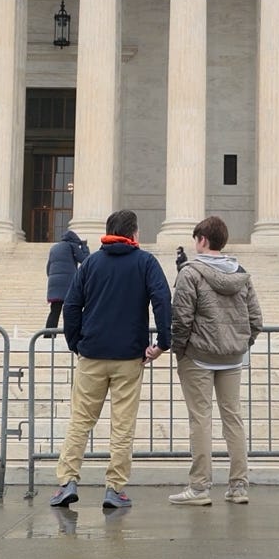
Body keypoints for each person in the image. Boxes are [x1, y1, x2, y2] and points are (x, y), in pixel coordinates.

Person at [50, 210, 171, 510]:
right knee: (122, 424)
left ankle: (67, 481)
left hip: (92, 354)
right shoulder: (145, 262)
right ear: (134, 234)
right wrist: (162, 343)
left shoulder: (91, 263)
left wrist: (76, 342)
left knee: (80, 420)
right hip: (129, 356)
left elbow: (72, 305)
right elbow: (162, 299)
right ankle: (114, 488)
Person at [167, 216, 263, 506]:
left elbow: (181, 318)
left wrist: (179, 349)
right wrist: (241, 344)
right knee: (233, 418)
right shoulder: (241, 273)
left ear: (202, 240)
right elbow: (256, 319)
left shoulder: (190, 273)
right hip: (232, 357)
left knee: (201, 420)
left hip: (198, 355)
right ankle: (238, 486)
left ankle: (199, 487)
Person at [44, 227, 89, 330]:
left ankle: (48, 336)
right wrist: (84, 247)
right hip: (68, 283)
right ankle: (70, 335)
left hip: (53, 284)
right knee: (70, 310)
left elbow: (48, 268)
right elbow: (85, 260)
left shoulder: (54, 248)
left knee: (54, 311)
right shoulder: (72, 246)